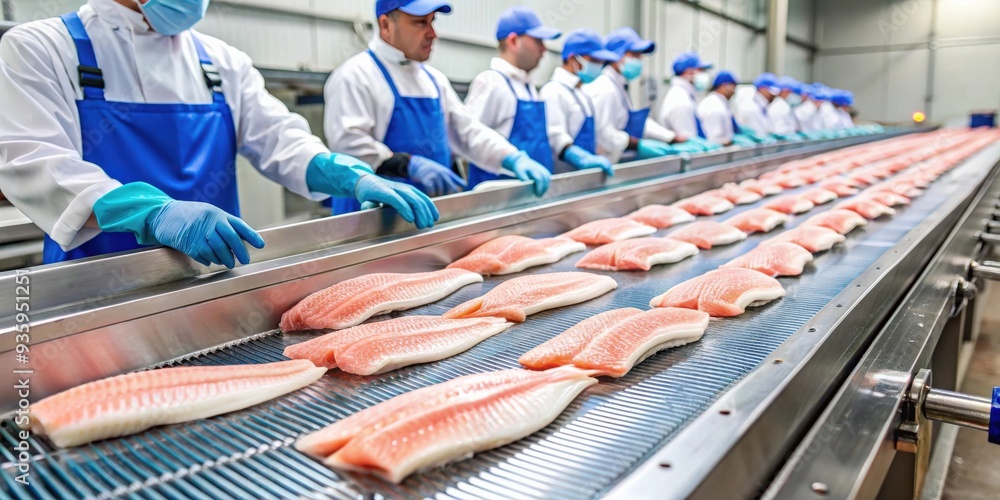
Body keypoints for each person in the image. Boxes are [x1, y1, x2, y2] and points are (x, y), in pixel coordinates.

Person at [0, 0, 438, 268]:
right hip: (93, 285)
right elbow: (32, 160)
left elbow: (280, 137)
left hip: (210, 276)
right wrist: (152, 214)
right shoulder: (41, 47)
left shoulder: (221, 61)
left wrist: (348, 173)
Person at [324, 1, 552, 212]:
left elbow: (468, 131)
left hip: (426, 215)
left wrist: (512, 158)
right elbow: (348, 145)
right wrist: (408, 165)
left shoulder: (434, 80)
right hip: (371, 219)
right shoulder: (355, 76)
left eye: (432, 21)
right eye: (420, 22)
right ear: (386, 25)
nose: (433, 33)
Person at [464, 6, 561, 188]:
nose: (544, 50)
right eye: (538, 41)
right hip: (497, 195)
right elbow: (468, 137)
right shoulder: (491, 82)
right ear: (514, 41)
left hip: (532, 193)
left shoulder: (529, 87)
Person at [585, 27, 680, 163]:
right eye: (634, 55)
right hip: (604, 163)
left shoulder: (619, 86)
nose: (639, 60)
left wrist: (670, 137)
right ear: (617, 55)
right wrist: (636, 143)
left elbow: (635, 122)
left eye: (640, 55)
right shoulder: (605, 88)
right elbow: (602, 133)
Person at [539, 29, 617, 175]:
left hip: (582, 178)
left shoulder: (582, 94)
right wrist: (578, 156)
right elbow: (554, 136)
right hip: (561, 178)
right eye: (593, 61)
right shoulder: (554, 91)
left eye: (601, 62)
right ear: (572, 58)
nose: (598, 66)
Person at [655, 51, 720, 150]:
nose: (705, 75)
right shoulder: (680, 101)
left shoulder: (684, 96)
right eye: (701, 70)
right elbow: (690, 146)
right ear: (689, 72)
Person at [696, 70, 755, 147]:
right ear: (725, 86)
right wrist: (731, 141)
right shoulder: (714, 105)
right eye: (733, 86)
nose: (734, 91)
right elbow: (715, 140)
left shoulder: (720, 103)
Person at [735, 72, 780, 141]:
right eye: (770, 92)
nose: (773, 96)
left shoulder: (761, 106)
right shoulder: (750, 107)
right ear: (762, 89)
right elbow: (758, 134)